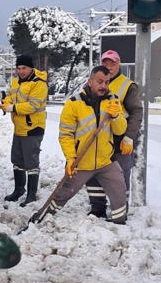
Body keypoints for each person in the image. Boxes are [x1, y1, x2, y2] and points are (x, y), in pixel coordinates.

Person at [51, 66, 128, 223]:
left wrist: (116, 115)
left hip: (106, 160)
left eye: (106, 82)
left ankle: (120, 222)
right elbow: (66, 135)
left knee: (120, 192)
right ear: (90, 81)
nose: (104, 86)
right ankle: (46, 216)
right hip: (81, 162)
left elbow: (120, 131)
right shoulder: (74, 104)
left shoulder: (112, 100)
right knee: (63, 193)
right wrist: (70, 158)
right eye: (100, 82)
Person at [84, 50, 143, 221]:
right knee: (95, 174)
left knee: (121, 177)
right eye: (106, 62)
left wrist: (129, 137)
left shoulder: (127, 86)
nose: (109, 66)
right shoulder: (93, 82)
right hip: (99, 139)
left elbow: (136, 113)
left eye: (113, 63)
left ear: (119, 64)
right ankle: (97, 208)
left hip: (120, 139)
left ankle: (120, 211)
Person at [0, 55, 48, 206]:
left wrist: (11, 108)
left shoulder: (39, 84)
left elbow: (33, 106)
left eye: (24, 68)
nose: (21, 71)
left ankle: (31, 194)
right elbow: (9, 97)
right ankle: (19, 190)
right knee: (17, 160)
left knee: (31, 162)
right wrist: (5, 102)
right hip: (19, 128)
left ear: (31, 68)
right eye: (18, 68)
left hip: (33, 128)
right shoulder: (16, 82)